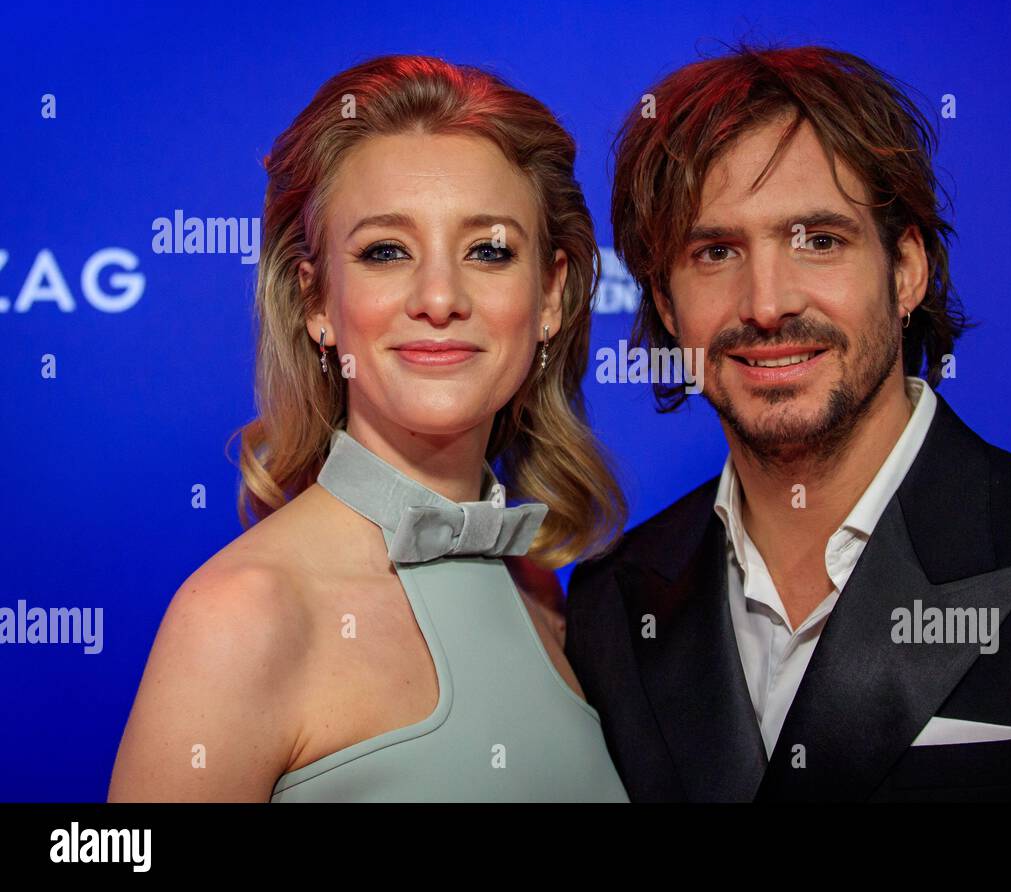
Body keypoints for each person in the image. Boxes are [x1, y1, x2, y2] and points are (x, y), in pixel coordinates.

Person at [565, 44, 1011, 801]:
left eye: (819, 241)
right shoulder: (612, 605)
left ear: (907, 269)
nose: (768, 302)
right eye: (716, 251)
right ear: (668, 304)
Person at [108, 54, 629, 802]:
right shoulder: (244, 614)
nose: (440, 296)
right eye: (386, 251)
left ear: (550, 294)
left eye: (488, 250)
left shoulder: (536, 590)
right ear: (316, 299)